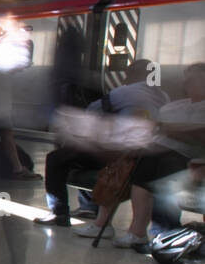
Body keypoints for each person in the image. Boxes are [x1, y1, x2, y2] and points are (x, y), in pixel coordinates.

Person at [75, 62, 205, 248]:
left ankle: (145, 231)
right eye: (188, 80)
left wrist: (168, 128)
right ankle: (120, 228)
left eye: (195, 79)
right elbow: (157, 128)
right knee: (128, 163)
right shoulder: (174, 106)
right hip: (159, 150)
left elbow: (198, 135)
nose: (189, 84)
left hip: (188, 156)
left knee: (150, 166)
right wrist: (172, 129)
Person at [37, 58, 168, 226]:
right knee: (87, 147)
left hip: (120, 153)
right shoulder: (163, 95)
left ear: (133, 75)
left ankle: (59, 212)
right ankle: (89, 206)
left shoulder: (125, 92)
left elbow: (93, 110)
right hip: (145, 156)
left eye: (127, 75)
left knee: (57, 157)